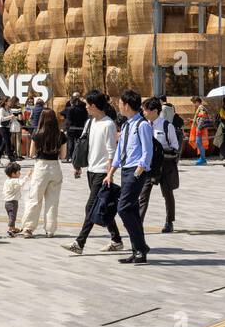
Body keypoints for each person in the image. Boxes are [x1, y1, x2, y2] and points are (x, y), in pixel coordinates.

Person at [65, 89, 124, 255]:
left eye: (87, 105)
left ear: (94, 106)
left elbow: (112, 151)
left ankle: (79, 242)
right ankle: (117, 240)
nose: (86, 108)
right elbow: (83, 145)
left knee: (90, 207)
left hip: (102, 172)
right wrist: (77, 164)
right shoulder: (90, 122)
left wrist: (109, 173)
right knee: (100, 205)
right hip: (91, 170)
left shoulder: (108, 124)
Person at [105, 89, 152, 264]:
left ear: (126, 105)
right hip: (125, 170)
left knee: (123, 208)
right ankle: (138, 251)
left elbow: (147, 151)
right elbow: (119, 152)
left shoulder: (143, 125)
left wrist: (139, 171)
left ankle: (141, 246)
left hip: (135, 171)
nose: (118, 106)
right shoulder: (126, 125)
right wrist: (111, 173)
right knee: (131, 210)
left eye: (120, 103)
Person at [18, 108, 65, 237]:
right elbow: (64, 155)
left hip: (41, 167)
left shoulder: (37, 134)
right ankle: (50, 230)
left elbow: (31, 153)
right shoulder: (61, 134)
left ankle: (28, 228)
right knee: (53, 201)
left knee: (34, 199)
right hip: (55, 167)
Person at [138, 96, 180, 233]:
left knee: (167, 194)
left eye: (145, 110)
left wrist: (161, 152)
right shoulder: (143, 125)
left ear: (155, 111)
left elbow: (175, 147)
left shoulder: (167, 126)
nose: (143, 112)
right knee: (143, 194)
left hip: (165, 165)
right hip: (148, 166)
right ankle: (139, 222)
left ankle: (169, 222)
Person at [62, 93, 87, 164]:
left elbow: (66, 117)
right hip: (80, 127)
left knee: (71, 142)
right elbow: (85, 116)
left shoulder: (70, 109)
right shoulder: (83, 107)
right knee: (79, 143)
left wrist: (66, 127)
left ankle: (70, 157)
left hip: (71, 128)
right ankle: (78, 157)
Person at [2, 161, 26, 236]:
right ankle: (10, 229)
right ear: (13, 174)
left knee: (11, 216)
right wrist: (27, 176)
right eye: (18, 172)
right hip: (12, 202)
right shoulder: (14, 180)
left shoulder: (7, 181)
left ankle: (13, 228)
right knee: (12, 217)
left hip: (7, 202)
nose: (20, 173)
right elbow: (22, 183)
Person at [189, 95, 211, 165]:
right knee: (200, 143)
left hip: (200, 129)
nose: (194, 105)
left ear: (197, 102)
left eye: (194, 103)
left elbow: (202, 119)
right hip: (201, 129)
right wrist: (193, 120)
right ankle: (202, 158)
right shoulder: (201, 108)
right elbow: (200, 119)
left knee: (199, 143)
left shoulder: (201, 108)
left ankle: (203, 159)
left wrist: (198, 129)